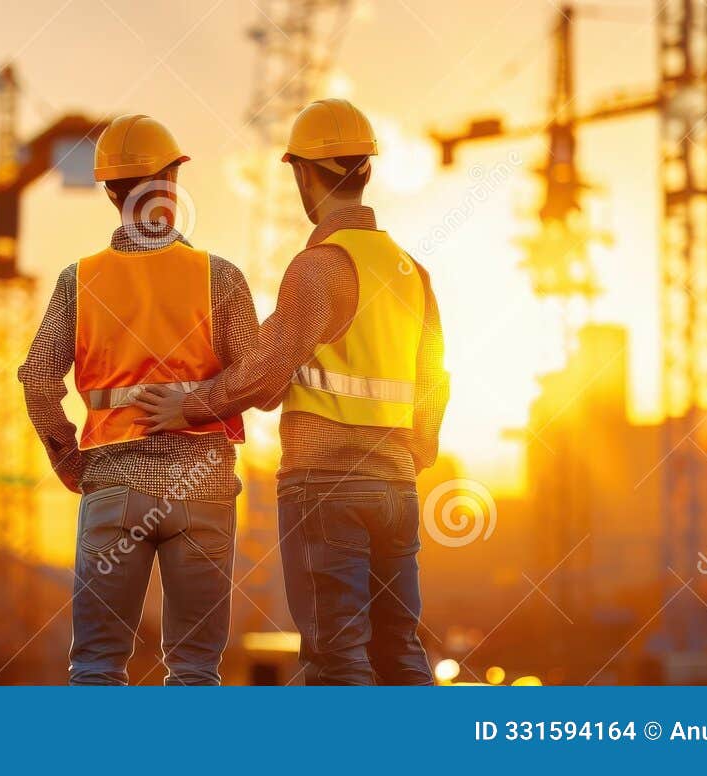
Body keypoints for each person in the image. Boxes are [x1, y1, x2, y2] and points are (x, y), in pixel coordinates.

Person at [132, 98, 450, 685]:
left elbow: (267, 373)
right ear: (368, 171)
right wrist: (415, 453)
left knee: (338, 656)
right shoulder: (411, 270)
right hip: (396, 490)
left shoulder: (319, 268)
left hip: (326, 489)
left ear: (304, 174)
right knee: (401, 652)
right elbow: (434, 379)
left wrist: (190, 404)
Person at [17, 114, 257, 685]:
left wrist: (69, 461)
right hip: (203, 487)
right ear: (172, 184)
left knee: (98, 667)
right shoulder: (219, 276)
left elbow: (36, 380)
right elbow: (257, 374)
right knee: (195, 669)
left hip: (114, 488)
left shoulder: (80, 280)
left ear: (108, 192)